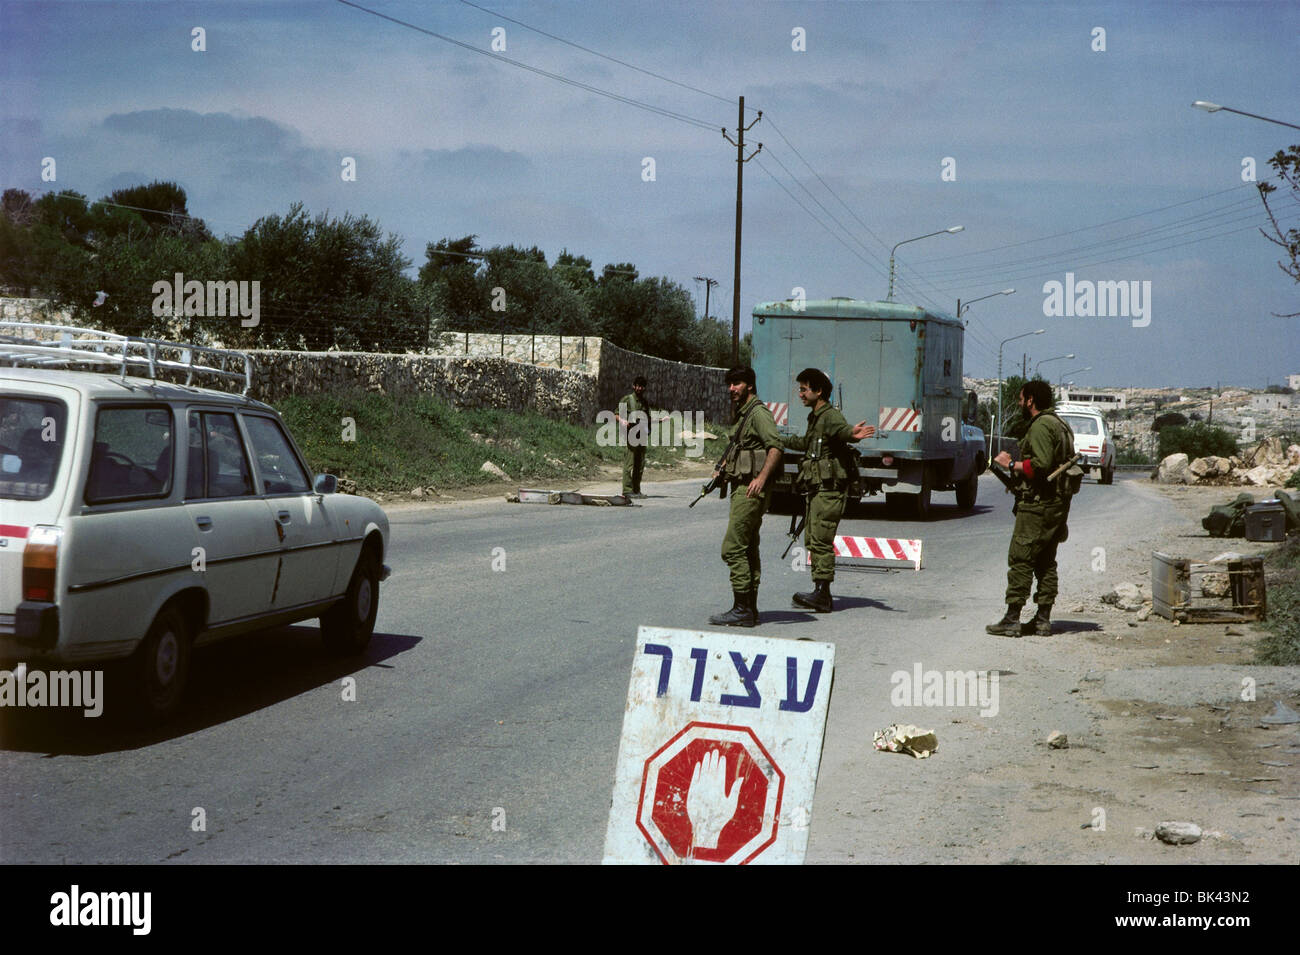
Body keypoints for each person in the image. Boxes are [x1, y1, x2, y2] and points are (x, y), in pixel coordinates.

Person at [986, 379, 1076, 637]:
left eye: (1021, 398)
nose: (1019, 402)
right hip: (1056, 504)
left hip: (1038, 504)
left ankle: (1012, 619)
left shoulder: (1041, 425)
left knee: (1021, 558)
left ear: (1031, 400)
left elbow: (1040, 465)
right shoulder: (1060, 424)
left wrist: (1010, 463)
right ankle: (1042, 620)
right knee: (1046, 561)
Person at [782, 369, 875, 612]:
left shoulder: (830, 416)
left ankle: (823, 595)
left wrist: (852, 434)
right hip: (818, 489)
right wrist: (779, 439)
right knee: (813, 538)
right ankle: (819, 590)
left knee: (821, 539)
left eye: (804, 389)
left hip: (829, 489)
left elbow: (843, 431)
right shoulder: (816, 417)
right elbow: (806, 444)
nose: (800, 394)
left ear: (819, 391)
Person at [709, 367, 784, 628]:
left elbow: (776, 446)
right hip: (741, 486)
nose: (732, 389)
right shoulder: (745, 413)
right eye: (729, 384)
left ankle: (742, 608)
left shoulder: (758, 413)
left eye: (737, 384)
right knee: (748, 548)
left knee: (732, 548)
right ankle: (749, 608)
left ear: (750, 385)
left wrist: (761, 478)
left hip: (750, 490)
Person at [615, 376, 650, 497]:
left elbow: (648, 419)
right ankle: (627, 490)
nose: (639, 388)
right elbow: (617, 414)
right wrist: (623, 421)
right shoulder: (627, 399)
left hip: (642, 435)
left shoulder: (644, 402)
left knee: (640, 464)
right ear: (633, 386)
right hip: (631, 434)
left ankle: (636, 490)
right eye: (637, 386)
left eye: (642, 386)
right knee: (630, 463)